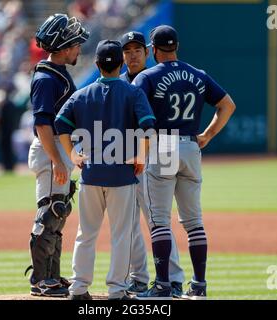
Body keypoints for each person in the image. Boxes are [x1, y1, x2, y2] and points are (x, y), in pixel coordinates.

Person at [133, 25, 236, 300]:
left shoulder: (147, 76)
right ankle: (199, 285)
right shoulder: (198, 74)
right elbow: (227, 105)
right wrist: (208, 135)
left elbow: (132, 111)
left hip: (163, 143)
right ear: (176, 46)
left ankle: (163, 285)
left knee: (160, 222)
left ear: (153, 49)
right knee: (194, 222)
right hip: (191, 144)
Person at [55, 40, 156, 300]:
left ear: (97, 64)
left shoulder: (82, 94)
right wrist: (141, 155)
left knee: (85, 234)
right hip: (122, 176)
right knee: (122, 236)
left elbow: (60, 124)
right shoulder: (133, 93)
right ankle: (116, 290)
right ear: (121, 63)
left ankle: (78, 288)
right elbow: (147, 127)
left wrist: (72, 154)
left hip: (91, 174)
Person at [25, 13, 89, 297]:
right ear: (63, 47)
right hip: (50, 149)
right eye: (75, 44)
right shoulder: (46, 77)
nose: (78, 48)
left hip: (58, 151)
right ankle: (41, 279)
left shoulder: (57, 74)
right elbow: (42, 124)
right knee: (50, 213)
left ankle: (52, 274)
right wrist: (56, 160)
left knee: (59, 213)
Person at [119, 31, 185, 297]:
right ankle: (138, 277)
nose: (132, 55)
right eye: (127, 51)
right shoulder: (119, 82)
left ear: (148, 52)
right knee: (130, 220)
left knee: (159, 220)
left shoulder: (159, 78)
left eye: (137, 50)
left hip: (162, 149)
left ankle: (174, 278)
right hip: (127, 152)